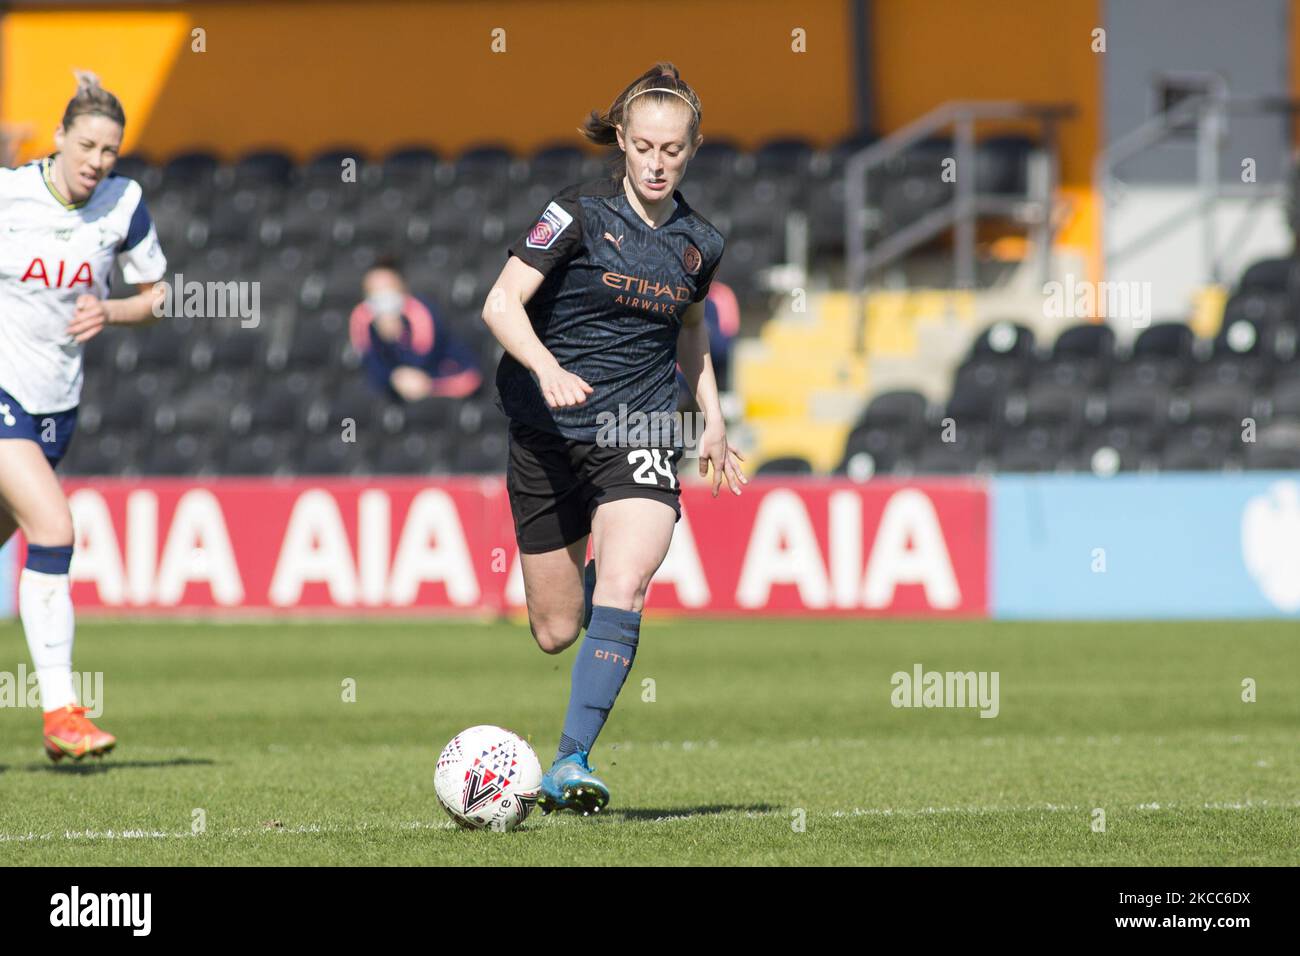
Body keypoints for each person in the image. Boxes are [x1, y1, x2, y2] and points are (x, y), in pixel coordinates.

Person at [480, 62, 746, 815]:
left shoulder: (701, 243)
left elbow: (689, 329)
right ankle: (598, 611)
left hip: (641, 428)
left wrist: (714, 420)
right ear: (622, 142)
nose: (658, 163)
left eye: (673, 150)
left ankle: (570, 761)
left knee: (628, 582)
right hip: (545, 428)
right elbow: (501, 304)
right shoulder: (575, 215)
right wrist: (546, 367)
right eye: (645, 147)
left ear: (692, 150)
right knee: (557, 629)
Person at [0, 72, 167, 761]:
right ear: (60, 137)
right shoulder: (9, 196)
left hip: (55, 407)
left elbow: (156, 293)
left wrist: (114, 310)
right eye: (89, 144)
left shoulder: (123, 204)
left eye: (112, 150)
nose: (99, 161)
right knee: (54, 528)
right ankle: (63, 711)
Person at [349, 258, 482, 402]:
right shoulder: (362, 318)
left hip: (445, 378)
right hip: (401, 391)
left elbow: (423, 360)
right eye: (373, 291)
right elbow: (371, 363)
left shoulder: (422, 312)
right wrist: (392, 374)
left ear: (402, 288)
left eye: (387, 288)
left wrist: (396, 337)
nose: (381, 296)